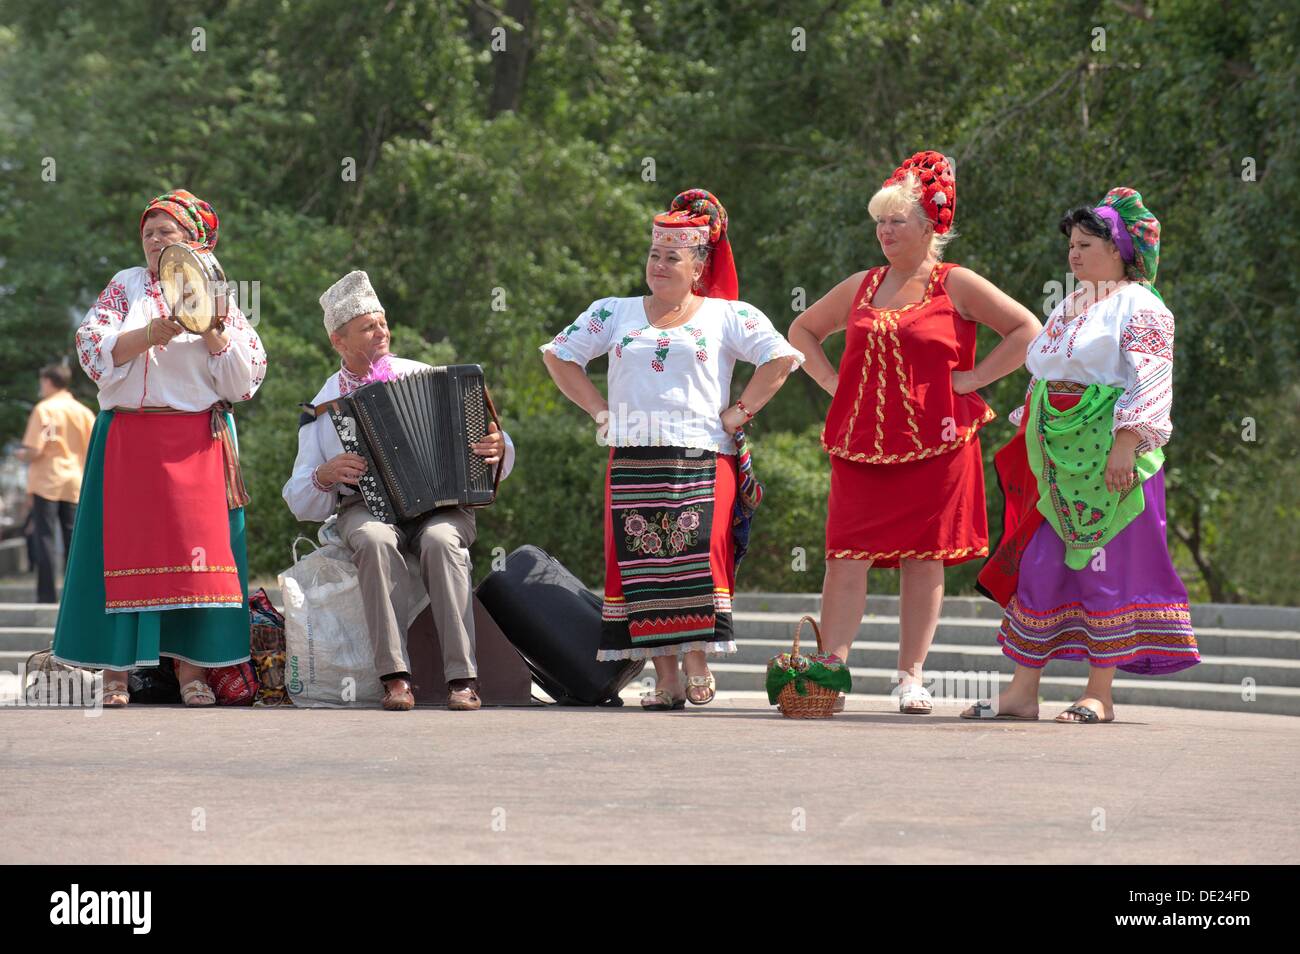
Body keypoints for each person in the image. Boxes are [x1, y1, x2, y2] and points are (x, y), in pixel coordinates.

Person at [788, 151, 1041, 713]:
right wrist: (833, 382)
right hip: (859, 447)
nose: (884, 231)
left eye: (896, 220)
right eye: (880, 220)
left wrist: (972, 379)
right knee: (843, 556)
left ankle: (910, 677)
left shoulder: (957, 283)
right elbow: (802, 330)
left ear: (931, 227)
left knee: (923, 558)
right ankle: (831, 671)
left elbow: (1028, 330)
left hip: (938, 441)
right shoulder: (861, 284)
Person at [541, 189, 803, 710]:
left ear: (699, 265)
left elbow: (779, 358)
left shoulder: (728, 316)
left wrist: (740, 412)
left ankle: (697, 659)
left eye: (672, 257)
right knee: (640, 563)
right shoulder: (613, 312)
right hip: (633, 454)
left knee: (697, 556)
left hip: (703, 456)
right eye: (654, 255)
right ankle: (666, 676)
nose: (659, 266)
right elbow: (559, 355)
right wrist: (600, 411)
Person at [965, 188, 1199, 724]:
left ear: (1118, 249)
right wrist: (1031, 426)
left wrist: (1126, 444)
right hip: (1060, 463)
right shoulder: (1069, 304)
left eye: (1087, 243)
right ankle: (1023, 693)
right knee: (1041, 567)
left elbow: (1151, 378)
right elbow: (1044, 375)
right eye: (1071, 243)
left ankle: (1101, 693)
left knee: (1105, 570)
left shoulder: (1142, 306)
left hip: (1113, 462)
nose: (1074, 253)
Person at [51, 188, 267, 707]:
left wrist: (210, 330)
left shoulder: (218, 291)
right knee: (123, 555)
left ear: (193, 237)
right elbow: (91, 346)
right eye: (147, 231)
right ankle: (115, 679)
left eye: (164, 230)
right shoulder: (126, 285)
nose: (152, 239)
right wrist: (150, 332)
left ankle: (192, 675)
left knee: (195, 561)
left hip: (196, 439)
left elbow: (244, 380)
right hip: (129, 435)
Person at [283, 270, 515, 712]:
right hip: (364, 506)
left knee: (440, 540)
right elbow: (298, 496)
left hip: (442, 505)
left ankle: (462, 678)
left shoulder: (426, 376)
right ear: (339, 341)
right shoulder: (323, 405)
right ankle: (395, 677)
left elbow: (495, 444)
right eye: (369, 327)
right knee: (373, 538)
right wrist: (326, 475)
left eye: (383, 323)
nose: (382, 332)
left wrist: (497, 446)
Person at [16, 365, 96, 603]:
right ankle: (78, 595)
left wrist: (23, 454)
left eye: (42, 382)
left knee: (46, 538)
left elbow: (35, 449)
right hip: (75, 481)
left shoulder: (44, 409)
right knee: (73, 540)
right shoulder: (82, 411)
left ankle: (47, 595)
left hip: (47, 481)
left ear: (49, 381)